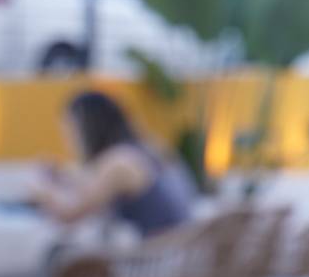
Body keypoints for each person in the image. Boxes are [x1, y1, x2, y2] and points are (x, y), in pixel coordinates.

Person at [27, 91, 194, 237]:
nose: (69, 141)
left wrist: (40, 189)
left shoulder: (119, 163)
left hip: (158, 256)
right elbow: (93, 186)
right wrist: (62, 176)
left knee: (65, 256)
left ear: (88, 129)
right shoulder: (145, 147)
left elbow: (69, 214)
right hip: (180, 249)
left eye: (71, 131)